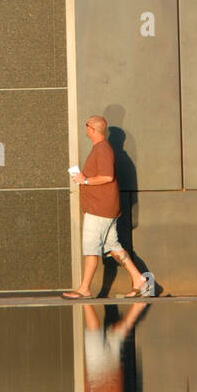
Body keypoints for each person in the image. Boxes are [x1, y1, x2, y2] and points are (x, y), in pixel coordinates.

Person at [63, 116, 149, 300]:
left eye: (86, 125)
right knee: (113, 246)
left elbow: (107, 176)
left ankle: (84, 289)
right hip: (105, 208)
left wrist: (84, 180)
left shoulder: (102, 150)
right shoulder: (102, 149)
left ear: (91, 129)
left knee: (91, 249)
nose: (85, 127)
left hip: (98, 209)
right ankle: (138, 279)